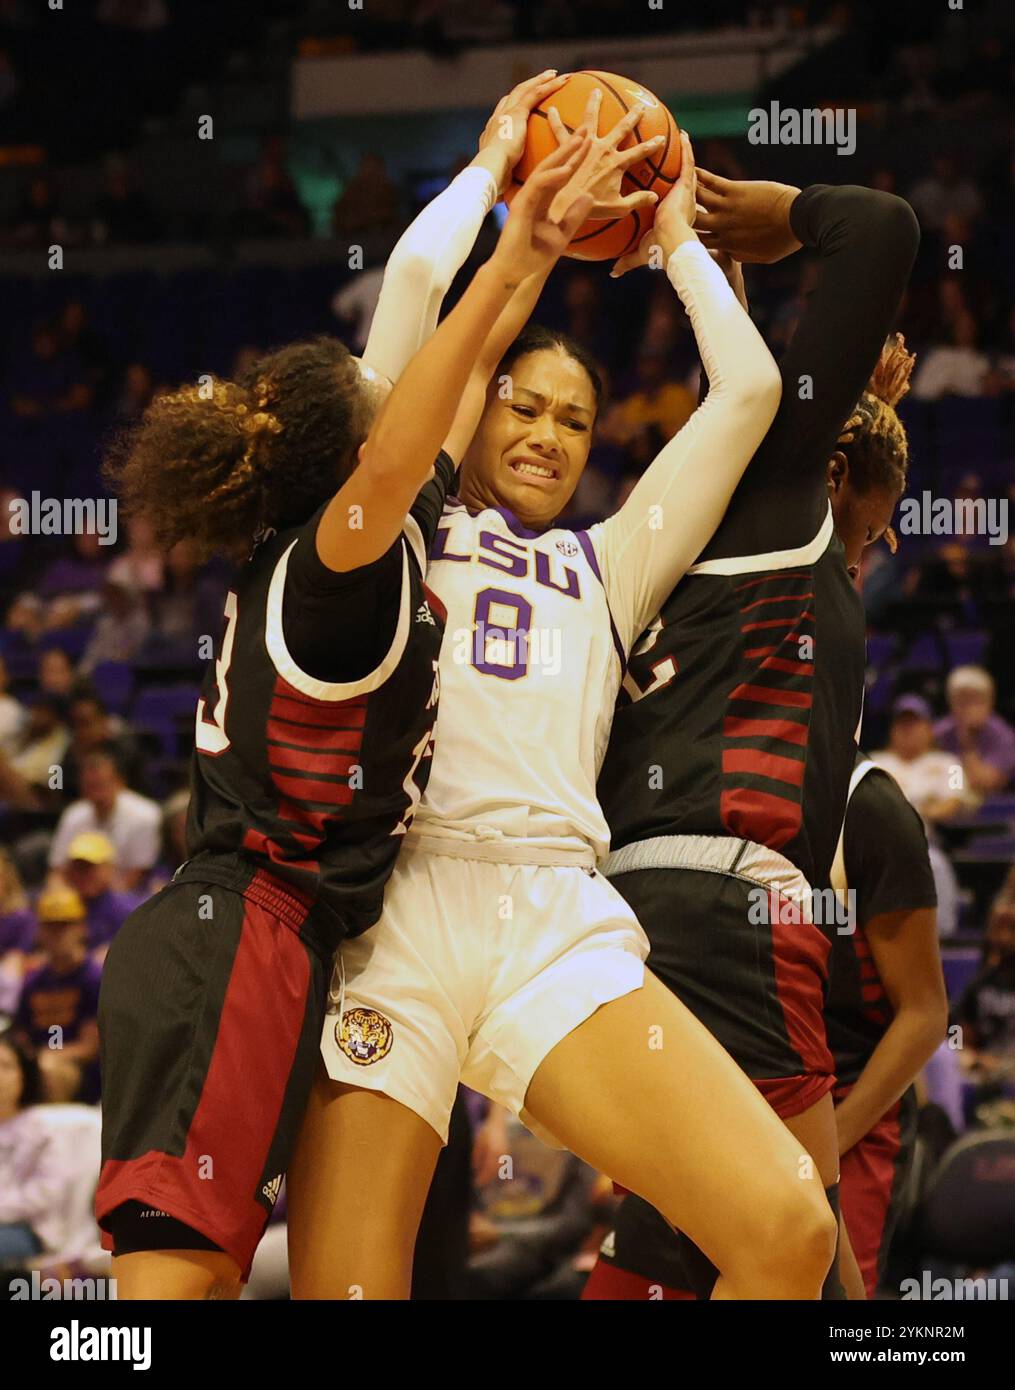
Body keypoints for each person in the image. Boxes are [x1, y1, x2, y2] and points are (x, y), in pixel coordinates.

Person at [288, 107, 837, 1303]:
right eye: (522, 405)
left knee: (788, 1227)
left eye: (575, 419)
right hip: (398, 907)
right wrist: (493, 169)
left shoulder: (609, 562)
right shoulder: (404, 512)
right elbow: (423, 284)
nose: (545, 432)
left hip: (555, 918)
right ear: (474, 407)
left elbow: (744, 388)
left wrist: (677, 238)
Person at [91, 71, 600, 1300]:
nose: (437, 390)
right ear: (359, 449)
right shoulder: (341, 556)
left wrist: (504, 191)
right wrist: (513, 238)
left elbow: (432, 310)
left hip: (268, 941)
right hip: (237, 938)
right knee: (154, 1311)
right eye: (401, 400)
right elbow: (439, 356)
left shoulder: (366, 535)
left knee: (193, 1291)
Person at [589, 171, 920, 1299]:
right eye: (863, 539)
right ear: (826, 477)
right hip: (732, 911)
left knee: (687, 1239)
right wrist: (767, 218)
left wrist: (853, 407)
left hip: (638, 913)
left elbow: (748, 389)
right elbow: (882, 227)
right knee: (805, 1261)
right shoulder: (782, 491)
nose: (859, 562)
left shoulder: (696, 512)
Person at [585, 748, 948, 1300]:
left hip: (844, 1117)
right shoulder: (695, 797)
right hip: (711, 1114)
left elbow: (925, 1014)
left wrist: (825, 1145)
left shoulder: (869, 808)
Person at [11, 886, 102, 1104]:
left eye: (65, 925)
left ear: (81, 928)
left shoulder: (94, 978)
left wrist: (44, 1058)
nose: (58, 934)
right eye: (50, 926)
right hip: (39, 1062)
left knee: (48, 1070)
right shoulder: (33, 981)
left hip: (84, 1074)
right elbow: (21, 1035)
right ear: (40, 932)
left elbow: (90, 1048)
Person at [48, 750, 161, 890]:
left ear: (120, 782)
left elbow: (138, 873)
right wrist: (58, 896)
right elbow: (58, 869)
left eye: (101, 784)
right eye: (90, 785)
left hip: (129, 896)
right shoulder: (73, 815)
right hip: (80, 893)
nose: (96, 792)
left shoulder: (145, 816)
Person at [935, 665, 1015, 796]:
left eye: (976, 700)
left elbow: (982, 784)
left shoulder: (1005, 736)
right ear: (951, 702)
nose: (970, 708)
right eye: (963, 701)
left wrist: (968, 742)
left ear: (990, 701)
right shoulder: (939, 733)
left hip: (993, 811)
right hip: (946, 804)